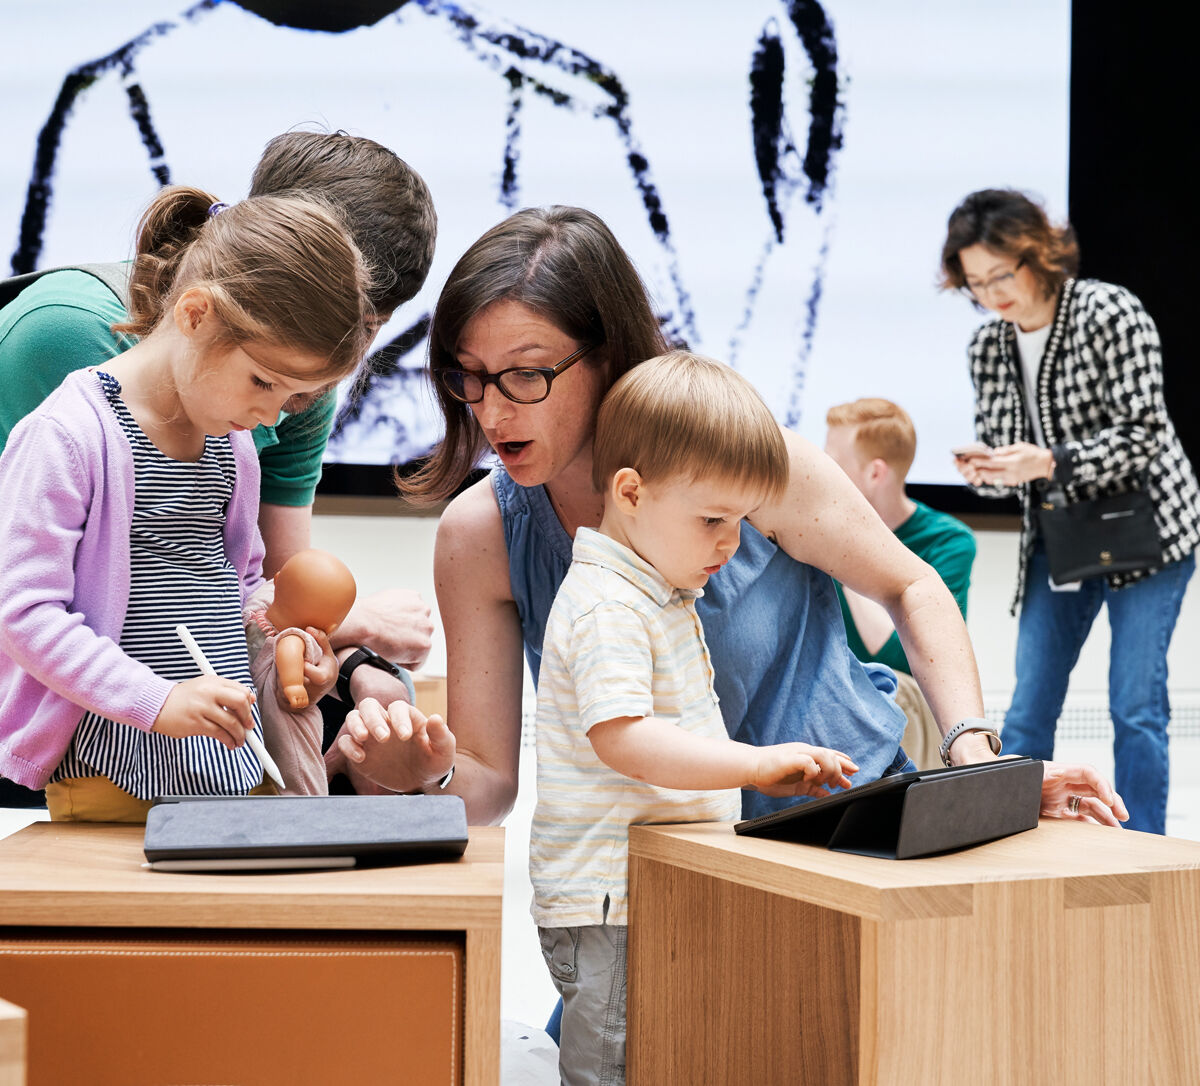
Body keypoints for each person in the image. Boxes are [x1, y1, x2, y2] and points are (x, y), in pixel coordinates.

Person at [341, 204, 1127, 833]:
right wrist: (426, 776)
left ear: (609, 354)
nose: (492, 409)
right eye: (470, 378)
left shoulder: (746, 456)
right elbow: (489, 786)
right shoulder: (480, 534)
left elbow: (912, 587)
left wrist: (975, 758)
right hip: (666, 870)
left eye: (526, 374)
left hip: (848, 820)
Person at [0, 130, 438, 805]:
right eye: (267, 383)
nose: (282, 414)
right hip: (107, 764)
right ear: (198, 313)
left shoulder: (233, 436)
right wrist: (155, 700)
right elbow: (27, 611)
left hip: (220, 765)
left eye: (298, 393)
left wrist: (300, 648)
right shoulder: (70, 419)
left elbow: (239, 591)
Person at [534, 350, 857, 1085]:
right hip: (610, 905)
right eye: (713, 517)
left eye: (742, 520)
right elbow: (625, 738)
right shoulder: (609, 606)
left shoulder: (656, 593)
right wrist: (756, 762)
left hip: (650, 893)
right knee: (613, 1070)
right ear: (631, 492)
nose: (732, 542)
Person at [941, 187, 1200, 834]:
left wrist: (1049, 461)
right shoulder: (988, 347)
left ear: (1039, 253)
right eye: (976, 283)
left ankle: (1144, 852)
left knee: (1135, 704)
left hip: (1151, 531)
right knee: (1028, 708)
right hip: (1062, 535)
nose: (992, 293)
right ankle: (1016, 842)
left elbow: (1144, 434)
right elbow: (1010, 461)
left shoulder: (1111, 311)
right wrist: (991, 471)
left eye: (1002, 273)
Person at [824, 398, 977, 769]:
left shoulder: (947, 542)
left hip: (903, 700)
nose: (821, 473)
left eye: (833, 464)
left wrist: (841, 552)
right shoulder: (810, 529)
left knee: (890, 690)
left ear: (876, 474)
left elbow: (898, 657)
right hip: (831, 689)